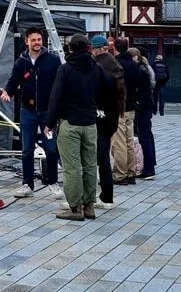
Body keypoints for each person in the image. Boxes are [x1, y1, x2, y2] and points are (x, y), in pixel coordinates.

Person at [45, 34, 110, 221]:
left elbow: (56, 97)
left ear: (70, 49)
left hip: (70, 123)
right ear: (88, 48)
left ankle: (75, 208)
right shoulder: (96, 69)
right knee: (90, 165)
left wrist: (49, 122)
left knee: (72, 167)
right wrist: (97, 104)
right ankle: (89, 205)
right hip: (90, 123)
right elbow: (109, 87)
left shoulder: (65, 69)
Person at [0, 27, 63, 199]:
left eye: (39, 40)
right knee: (27, 149)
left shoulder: (53, 60)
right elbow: (14, 80)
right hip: (27, 111)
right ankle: (27, 184)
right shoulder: (22, 62)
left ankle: (53, 182)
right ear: (27, 41)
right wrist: (7, 92)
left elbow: (60, 84)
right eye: (33, 40)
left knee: (50, 148)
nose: (37, 43)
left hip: (47, 113)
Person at [113, 39, 155, 182]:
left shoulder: (116, 64)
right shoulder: (135, 66)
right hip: (131, 107)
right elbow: (144, 87)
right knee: (129, 140)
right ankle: (131, 172)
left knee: (119, 142)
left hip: (119, 106)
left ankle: (120, 173)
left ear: (116, 48)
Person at [93, 52, 125, 209]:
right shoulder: (117, 82)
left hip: (99, 122)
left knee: (97, 160)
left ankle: (98, 196)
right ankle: (107, 196)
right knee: (104, 160)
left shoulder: (104, 83)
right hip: (110, 123)